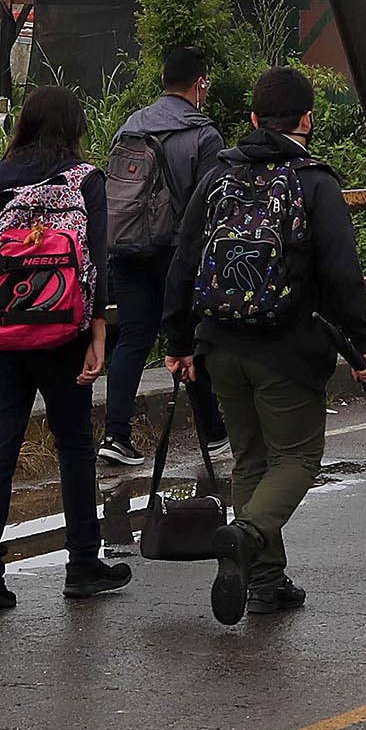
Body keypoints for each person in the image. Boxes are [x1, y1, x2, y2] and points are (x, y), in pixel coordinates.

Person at [162, 65, 366, 625]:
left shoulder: (218, 175)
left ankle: (265, 582)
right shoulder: (314, 182)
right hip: (287, 347)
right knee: (297, 457)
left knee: (251, 459)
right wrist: (361, 344)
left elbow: (184, 259)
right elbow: (342, 272)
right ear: (307, 119)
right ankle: (245, 534)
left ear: (254, 118)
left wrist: (179, 340)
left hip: (219, 345)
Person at [0, 85, 129, 609]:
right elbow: (96, 260)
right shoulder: (85, 180)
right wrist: (98, 332)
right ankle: (83, 565)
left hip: (4, 332)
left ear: (24, 125)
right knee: (73, 442)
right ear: (74, 129)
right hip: (64, 332)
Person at [99, 46, 227, 470]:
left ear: (162, 81)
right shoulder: (204, 135)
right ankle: (213, 434)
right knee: (188, 338)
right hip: (176, 253)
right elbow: (209, 206)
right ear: (200, 84)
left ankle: (116, 435)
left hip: (126, 248)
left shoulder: (130, 126)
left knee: (133, 338)